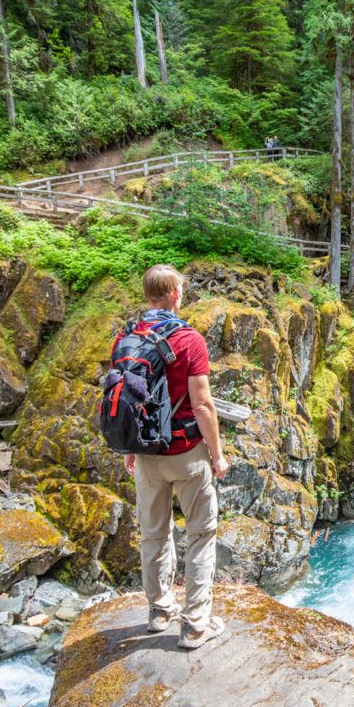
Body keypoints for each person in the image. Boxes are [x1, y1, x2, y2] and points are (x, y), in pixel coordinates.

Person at [116, 264, 230, 649]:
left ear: (148, 295)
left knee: (153, 533)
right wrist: (216, 455)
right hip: (186, 452)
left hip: (146, 454)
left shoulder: (128, 336)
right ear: (176, 294)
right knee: (200, 534)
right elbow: (203, 406)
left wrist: (131, 447)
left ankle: (159, 610)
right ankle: (196, 623)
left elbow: (129, 397)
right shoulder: (189, 340)